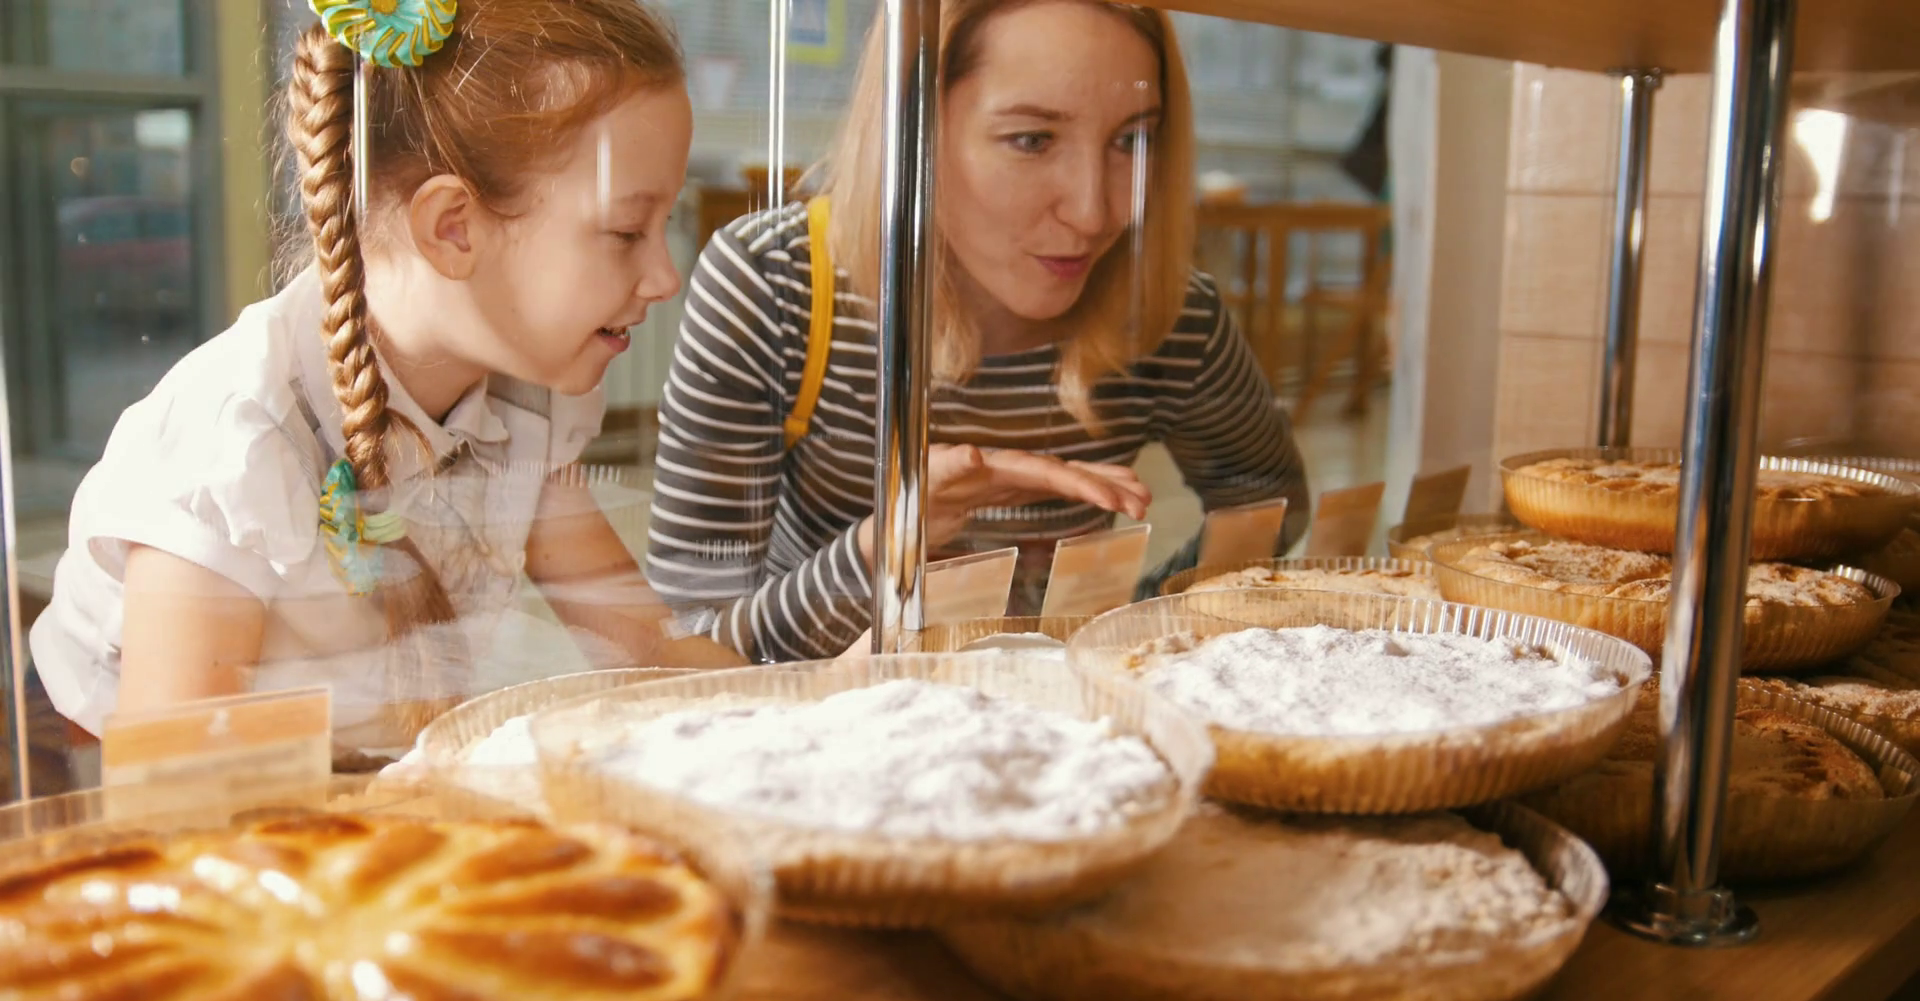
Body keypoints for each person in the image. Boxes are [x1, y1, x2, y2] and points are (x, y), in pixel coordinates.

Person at [30, 0, 743, 769]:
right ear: (454, 228)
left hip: (364, 776)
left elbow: (644, 647)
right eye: (626, 232)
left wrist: (836, 695)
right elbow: (172, 791)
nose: (667, 278)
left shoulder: (533, 395)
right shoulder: (237, 443)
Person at [648, 0, 1310, 663]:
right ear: (914, 130)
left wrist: (1131, 633)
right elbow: (690, 643)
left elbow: (1264, 500)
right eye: (1032, 140)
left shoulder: (1168, 310)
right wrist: (893, 540)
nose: (1094, 211)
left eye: (1130, 140)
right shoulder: (776, 282)